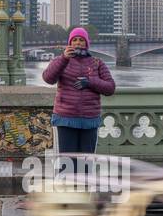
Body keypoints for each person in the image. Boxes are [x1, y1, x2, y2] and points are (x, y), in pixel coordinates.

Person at [42, 27, 115, 155]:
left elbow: (110, 88)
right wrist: (64, 58)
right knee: (66, 163)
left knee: (86, 163)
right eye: (74, 40)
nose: (77, 43)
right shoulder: (61, 61)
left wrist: (90, 82)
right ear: (69, 43)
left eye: (81, 40)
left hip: (89, 120)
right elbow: (48, 78)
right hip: (66, 119)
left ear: (86, 43)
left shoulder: (97, 63)